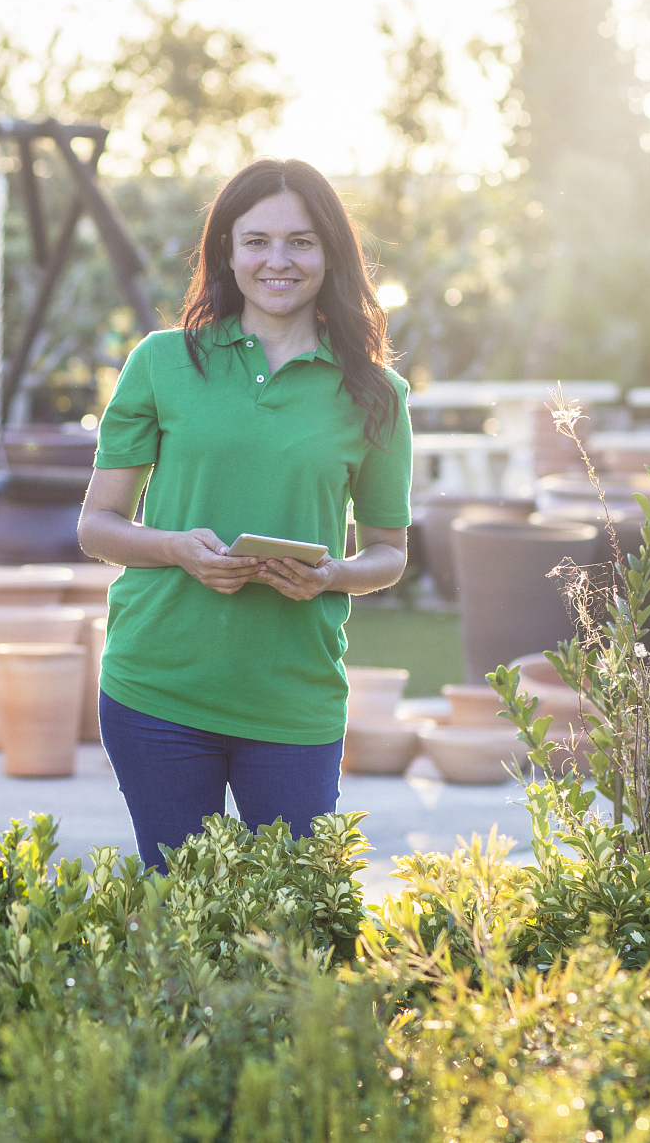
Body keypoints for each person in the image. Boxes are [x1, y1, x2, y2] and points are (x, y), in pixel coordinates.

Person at [77, 156, 413, 871]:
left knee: (295, 933)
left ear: (330, 253)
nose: (278, 260)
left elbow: (389, 550)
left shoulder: (378, 394)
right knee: (184, 927)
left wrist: (332, 576)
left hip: (294, 699)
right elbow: (97, 525)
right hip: (157, 688)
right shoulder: (163, 363)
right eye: (256, 240)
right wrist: (176, 548)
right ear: (227, 253)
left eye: (301, 241)